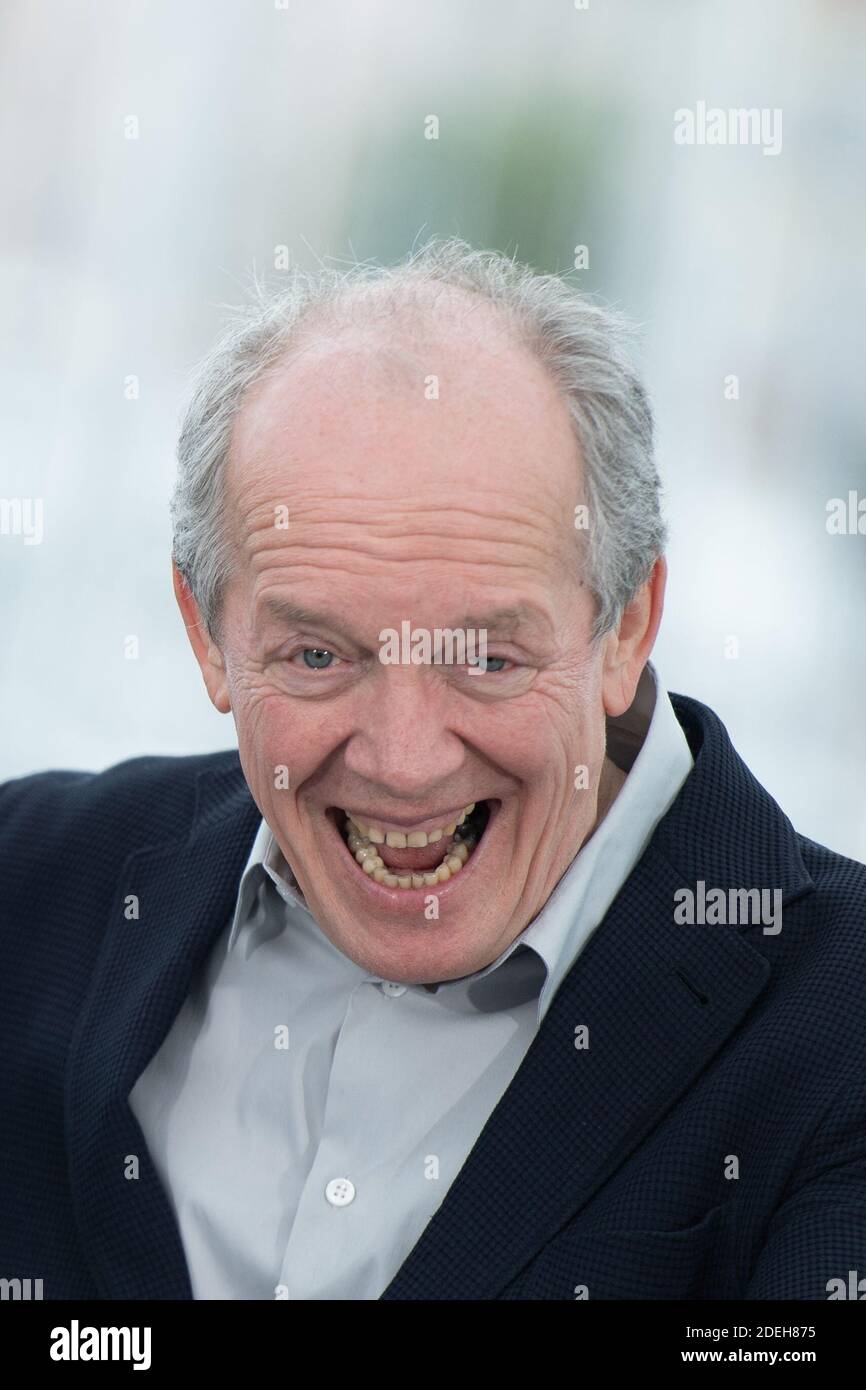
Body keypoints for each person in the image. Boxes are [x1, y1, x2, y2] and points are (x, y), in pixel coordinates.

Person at [2, 239, 864, 1300]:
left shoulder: (842, 1023)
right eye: (317, 656)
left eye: (488, 659)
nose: (404, 762)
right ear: (204, 633)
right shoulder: (27, 885)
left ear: (626, 623)